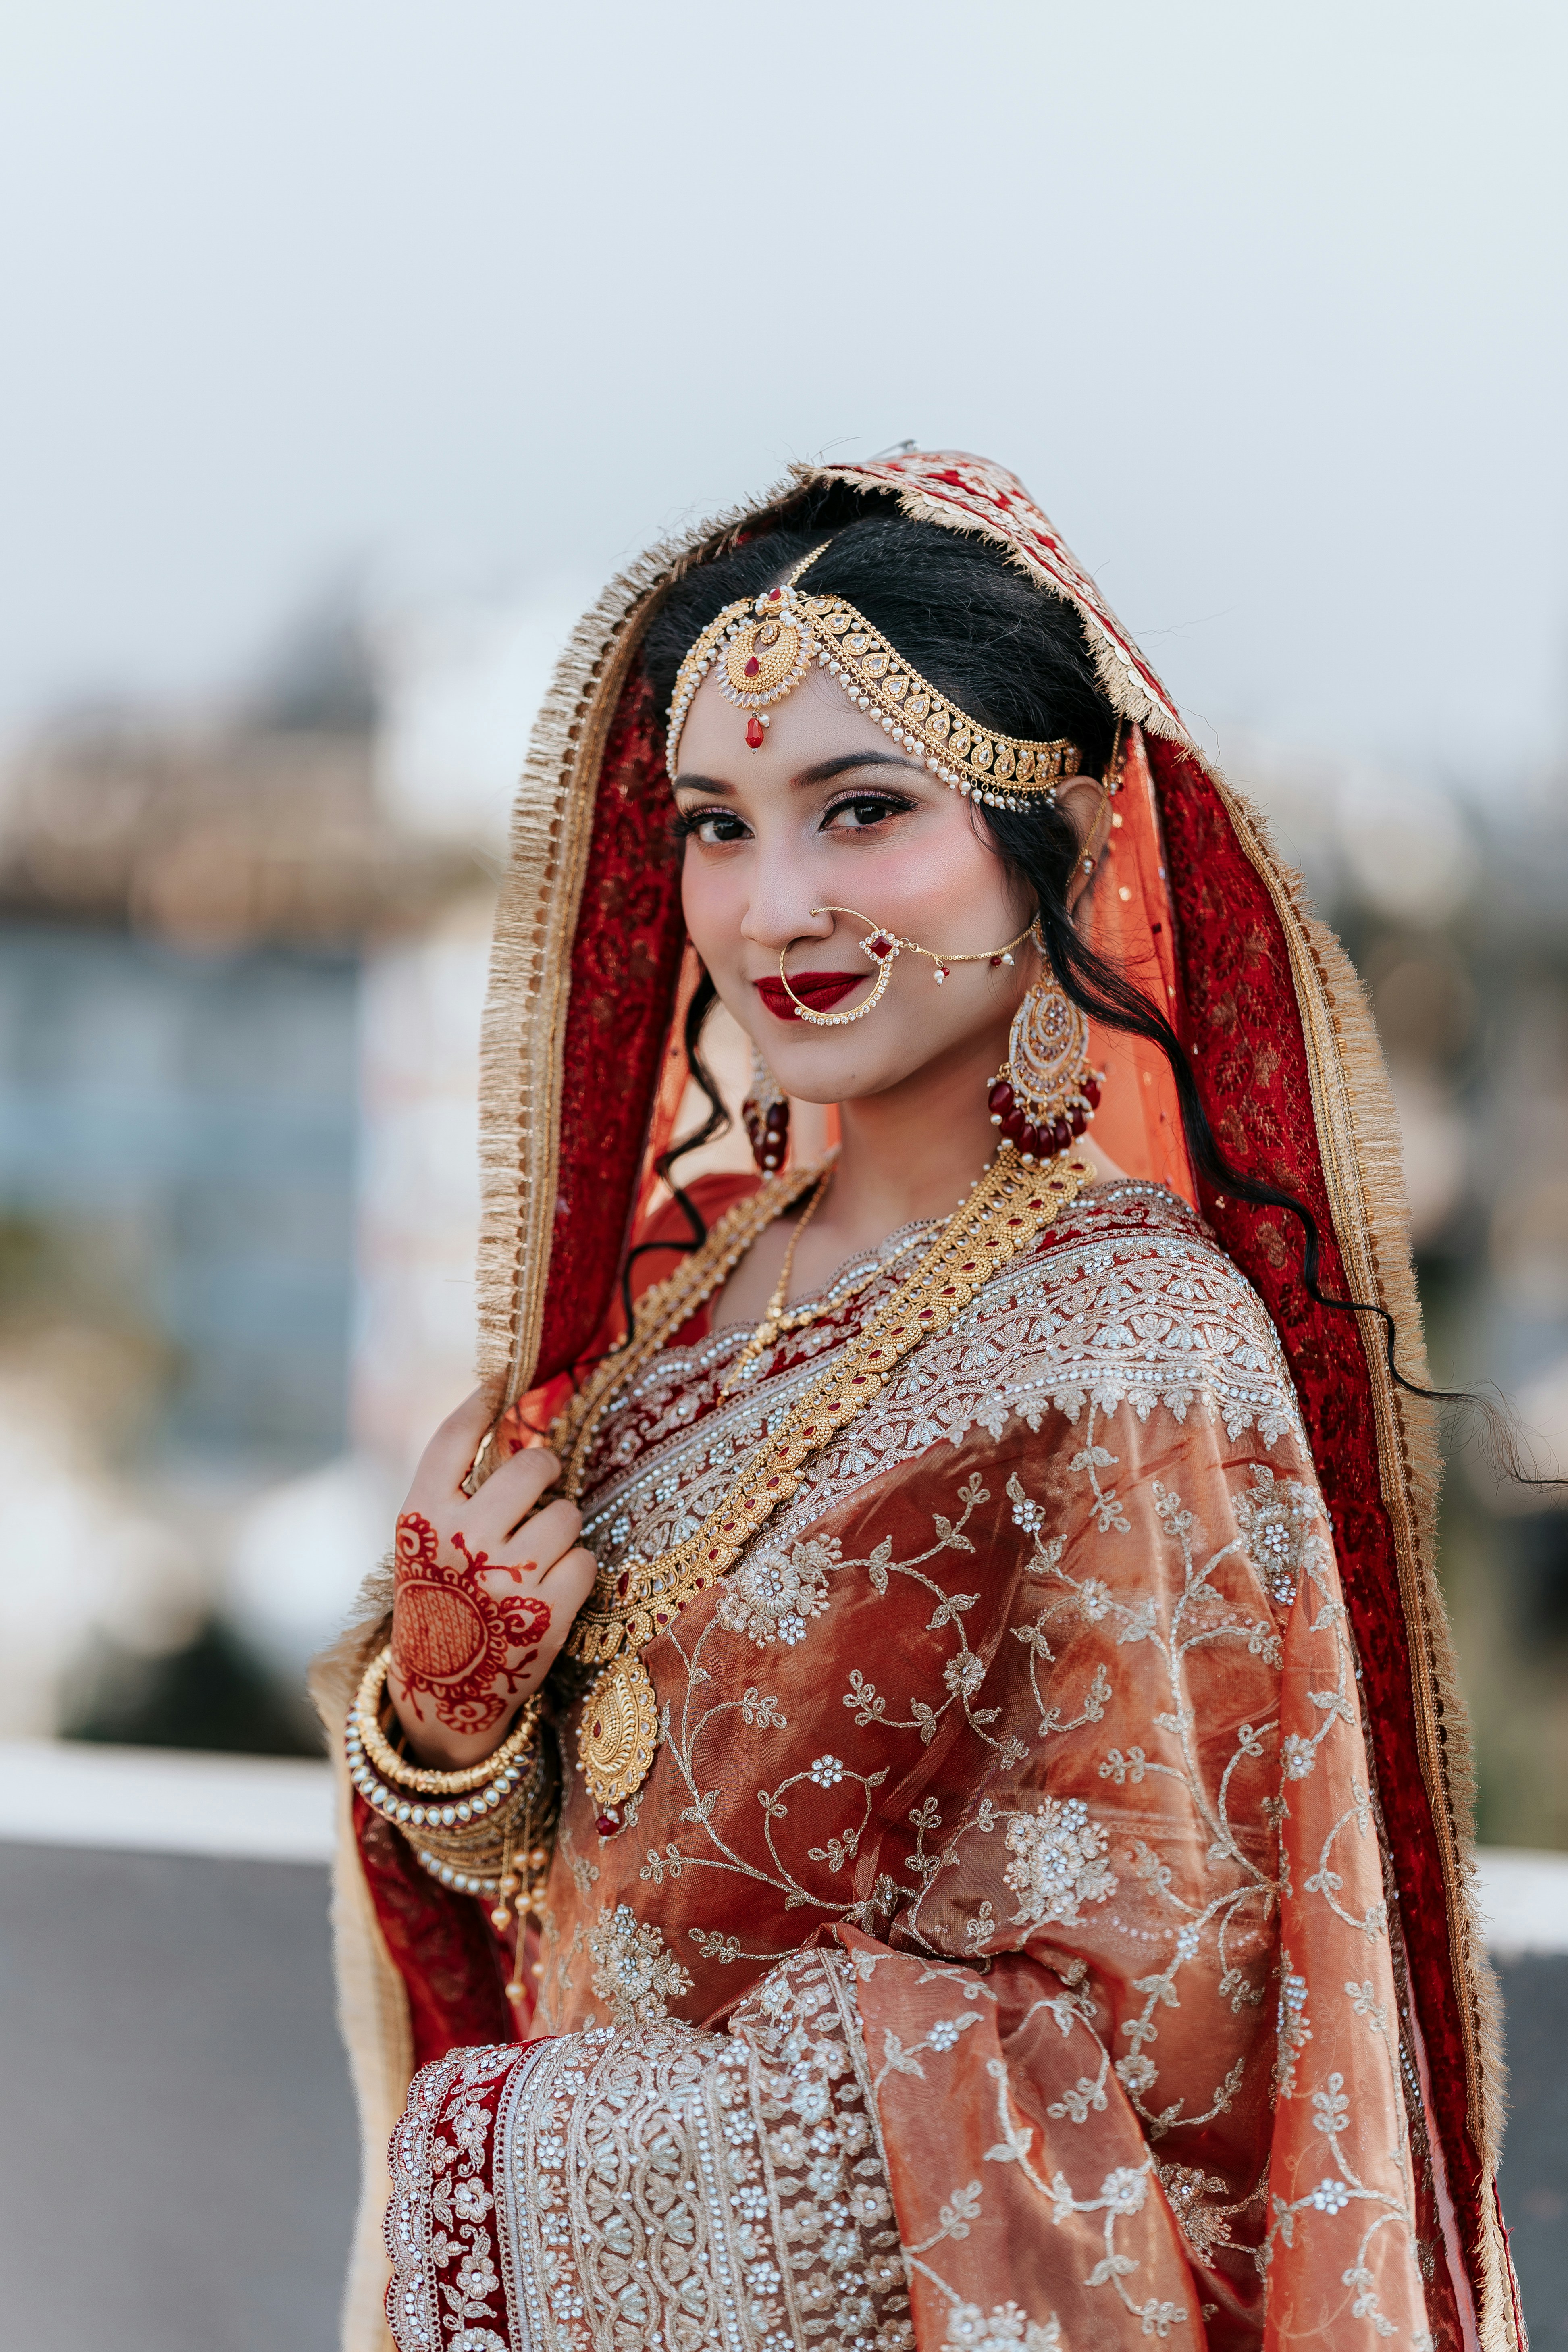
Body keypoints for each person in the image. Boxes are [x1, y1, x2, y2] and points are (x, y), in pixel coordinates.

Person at [315, 453, 1521, 2352]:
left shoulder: (1131, 1348)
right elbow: (592, 1857)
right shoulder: (700, 1291)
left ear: (1061, 829)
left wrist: (555, 2169)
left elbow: (1156, 2074)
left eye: (859, 810)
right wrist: (456, 1716)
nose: (771, 902)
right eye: (716, 824)